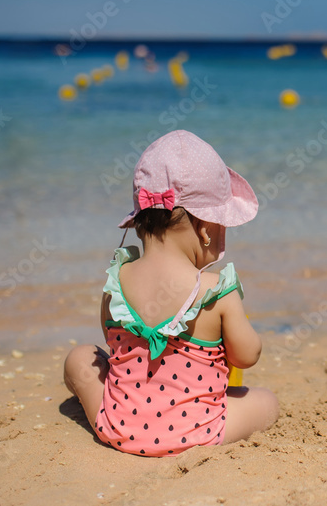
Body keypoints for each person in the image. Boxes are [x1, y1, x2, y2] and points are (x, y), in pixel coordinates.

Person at [64, 130, 279, 456]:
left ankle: (127, 416)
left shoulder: (116, 282)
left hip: (119, 428)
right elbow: (247, 356)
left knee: (80, 358)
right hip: (198, 431)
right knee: (266, 402)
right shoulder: (216, 291)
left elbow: (113, 341)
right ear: (205, 229)